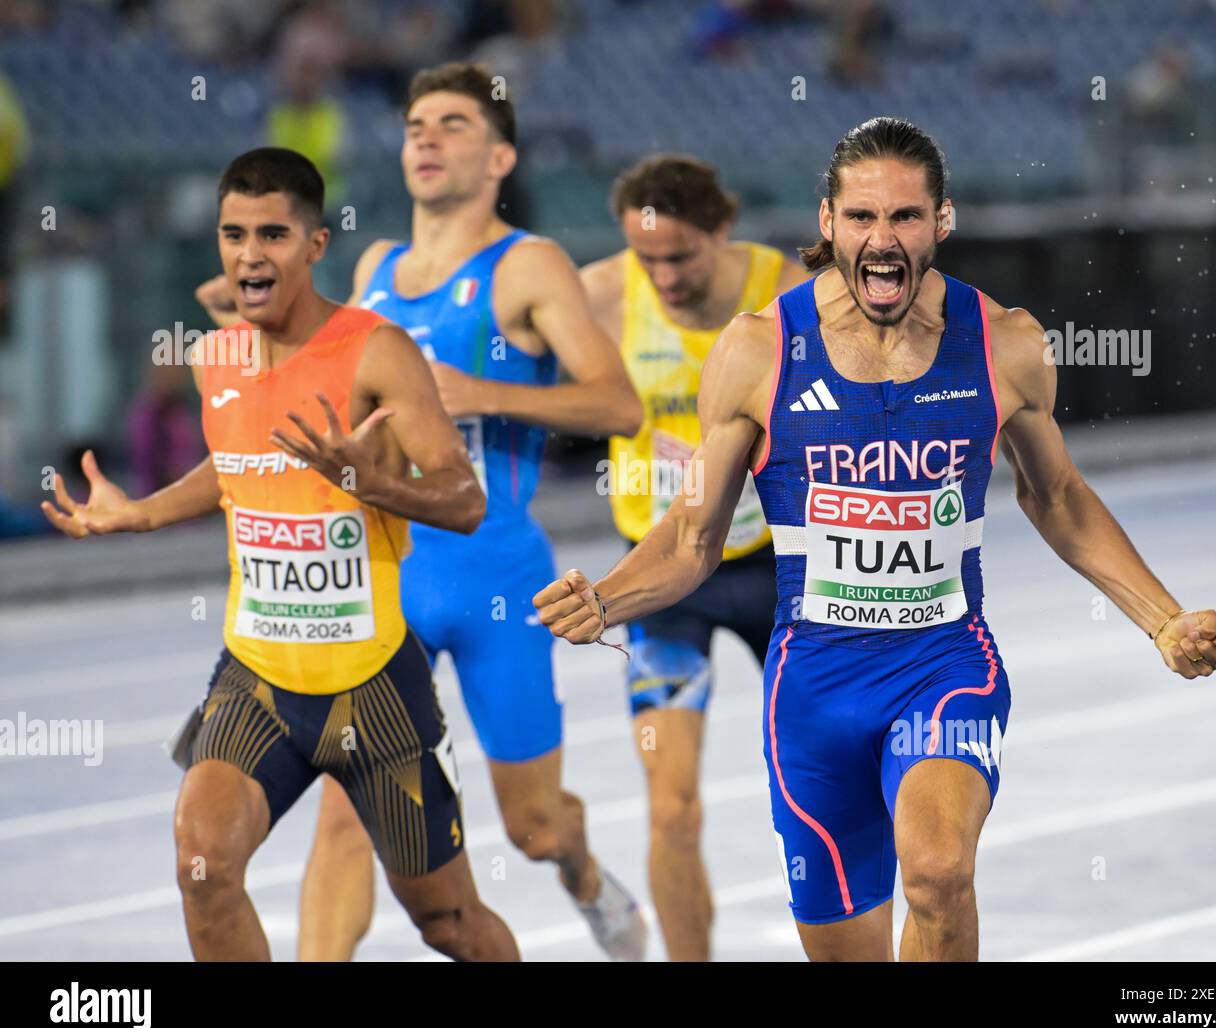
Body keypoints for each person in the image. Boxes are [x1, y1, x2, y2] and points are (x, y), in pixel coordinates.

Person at [534, 117, 1216, 962]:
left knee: (938, 873)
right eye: (862, 218)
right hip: (815, 689)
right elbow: (692, 536)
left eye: (906, 217)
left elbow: (1056, 494)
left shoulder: (1005, 342)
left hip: (945, 664)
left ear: (942, 223)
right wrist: (605, 596)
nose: (884, 238)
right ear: (827, 223)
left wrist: (1161, 619)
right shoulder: (758, 351)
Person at [197, 63, 647, 962]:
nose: (426, 140)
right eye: (413, 126)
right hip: (385, 575)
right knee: (345, 820)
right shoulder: (375, 269)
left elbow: (619, 407)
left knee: (533, 831)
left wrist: (475, 392)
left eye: (451, 124)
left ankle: (584, 871)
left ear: (500, 155)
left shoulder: (528, 265)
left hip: (495, 569)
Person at [44, 147, 518, 962]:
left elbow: (465, 499)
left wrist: (370, 483)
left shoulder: (376, 352)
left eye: (272, 234)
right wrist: (145, 513)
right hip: (256, 681)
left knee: (449, 924)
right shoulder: (215, 357)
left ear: (315, 245)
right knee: (204, 871)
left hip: (374, 691)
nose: (249, 254)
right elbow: (237, 467)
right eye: (233, 234)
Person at [579, 154, 804, 960]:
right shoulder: (599, 294)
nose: (664, 277)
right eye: (648, 259)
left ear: (722, 229)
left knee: (821, 793)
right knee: (671, 808)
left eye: (681, 256)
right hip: (665, 578)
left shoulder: (788, 292)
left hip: (782, 572)